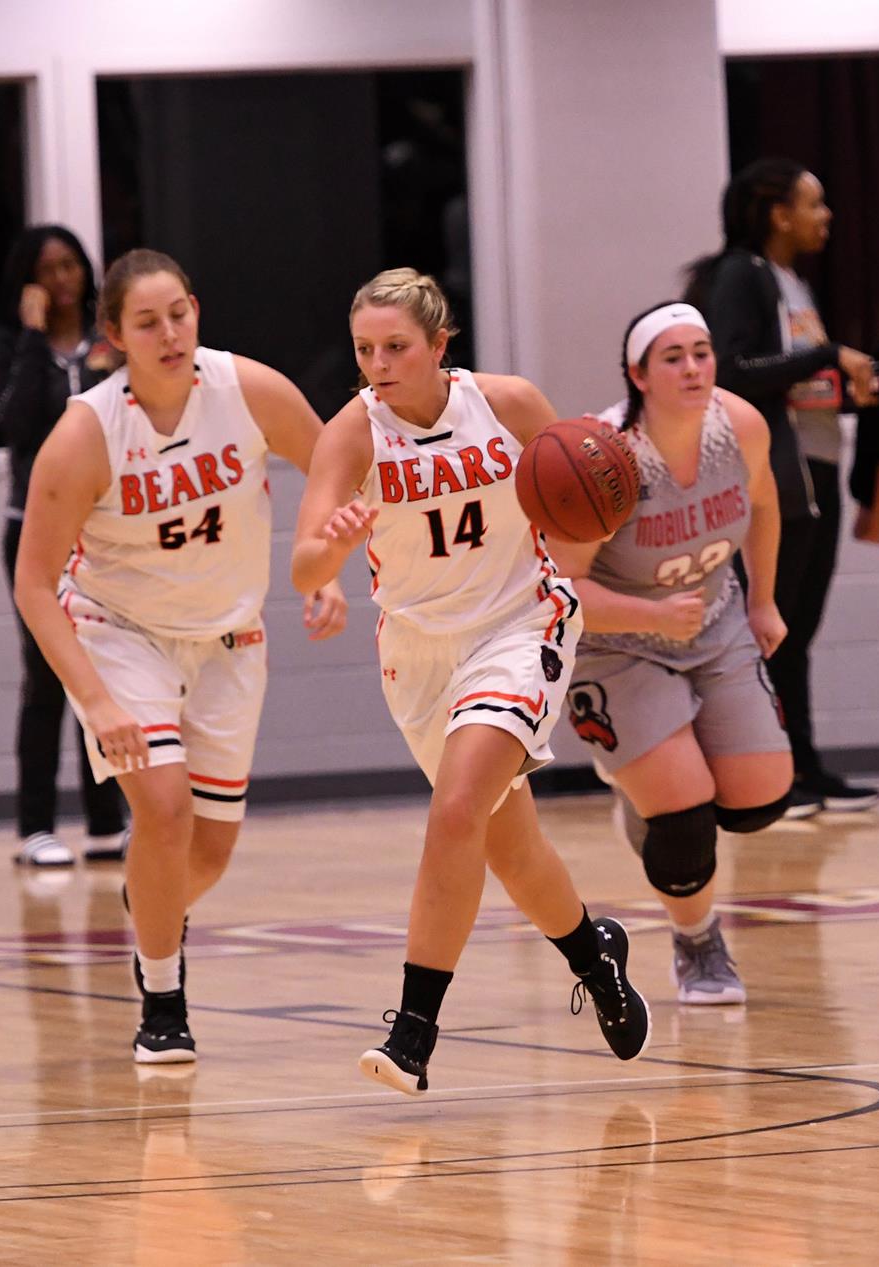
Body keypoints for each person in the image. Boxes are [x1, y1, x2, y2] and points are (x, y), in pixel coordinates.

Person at [292, 268, 651, 1095]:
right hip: (418, 652)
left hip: (517, 626)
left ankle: (414, 1029)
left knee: (454, 812)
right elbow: (305, 559)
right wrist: (336, 546)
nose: (378, 363)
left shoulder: (510, 404)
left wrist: (581, 554)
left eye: (396, 347)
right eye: (364, 349)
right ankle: (595, 957)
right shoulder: (352, 434)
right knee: (509, 847)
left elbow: (588, 489)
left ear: (438, 345)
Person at [12, 249, 349, 1063]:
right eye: (146, 322)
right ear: (113, 335)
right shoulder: (86, 432)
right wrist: (94, 699)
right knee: (162, 808)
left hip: (230, 640)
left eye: (178, 314)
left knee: (208, 852)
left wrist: (321, 564)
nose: (169, 334)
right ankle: (162, 1000)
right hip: (122, 633)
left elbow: (339, 464)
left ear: (196, 309)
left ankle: (151, 900)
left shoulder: (249, 389)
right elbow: (32, 583)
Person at [551, 301, 789, 1005]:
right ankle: (698, 944)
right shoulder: (604, 456)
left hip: (711, 626)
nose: (693, 367)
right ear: (638, 375)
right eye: (673, 357)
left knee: (758, 803)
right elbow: (559, 585)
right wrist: (651, 613)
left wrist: (762, 600)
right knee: (684, 821)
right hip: (614, 644)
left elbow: (767, 504)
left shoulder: (739, 424)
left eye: (702, 351)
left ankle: (645, 781)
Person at [685, 157, 879, 818]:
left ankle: (801, 763)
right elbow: (734, 370)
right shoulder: (743, 275)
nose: (825, 217)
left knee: (796, 628)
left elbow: (796, 374)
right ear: (778, 213)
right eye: (813, 203)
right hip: (775, 477)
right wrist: (828, 356)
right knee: (768, 628)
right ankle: (762, 776)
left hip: (815, 466)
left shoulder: (793, 280)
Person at [0, 225, 128, 867]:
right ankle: (35, 826)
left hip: (107, 531)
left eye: (72, 266)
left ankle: (106, 820)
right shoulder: (8, 345)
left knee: (102, 669)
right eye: (49, 270)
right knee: (45, 676)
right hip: (34, 528)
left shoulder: (111, 343)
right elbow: (16, 421)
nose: (64, 279)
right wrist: (34, 339)